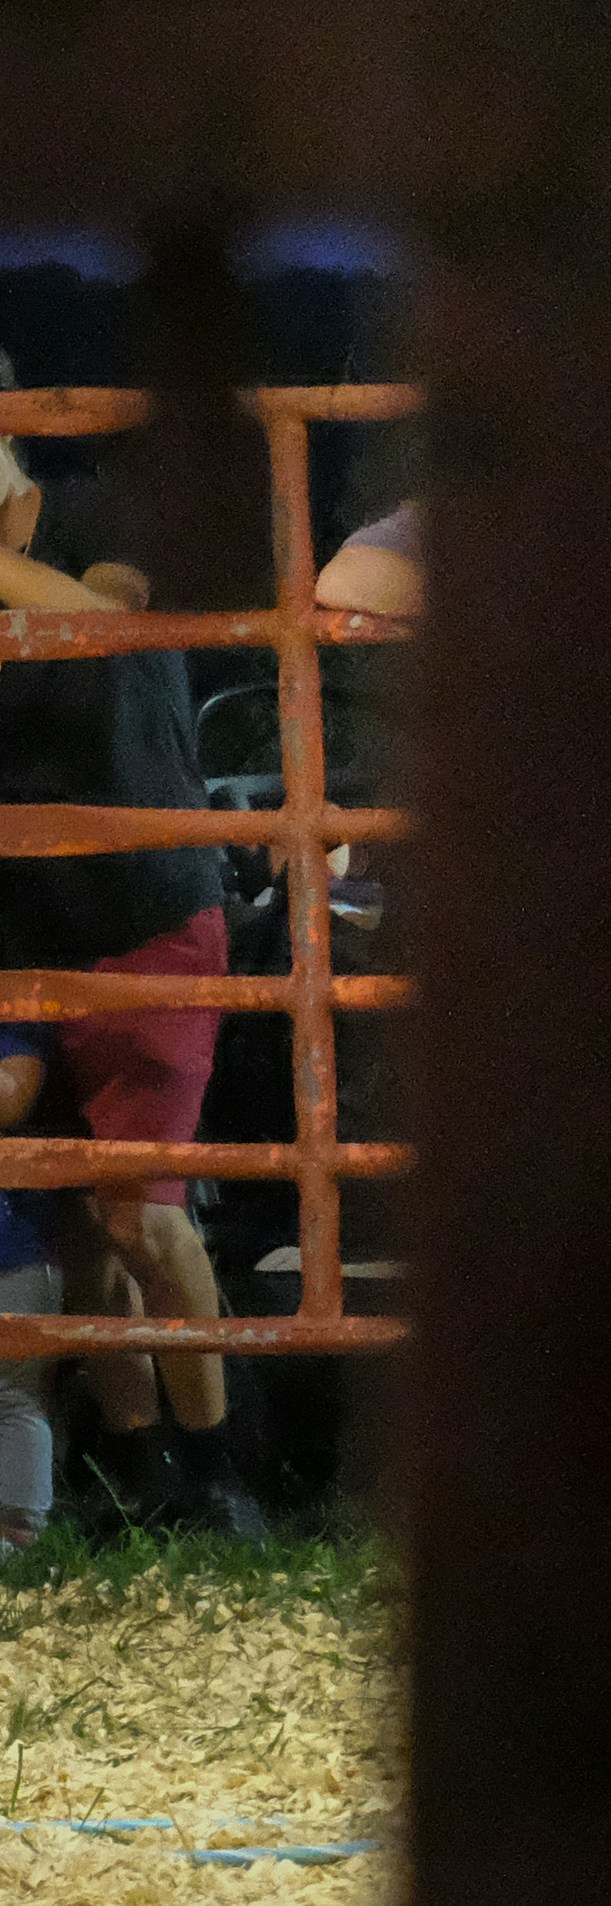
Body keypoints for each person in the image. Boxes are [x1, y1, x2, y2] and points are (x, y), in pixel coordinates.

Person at [0, 393, 261, 1536]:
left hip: (144, 905)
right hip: (26, 928)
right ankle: (144, 1478)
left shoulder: (106, 506)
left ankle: (218, 1478)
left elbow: (105, 625)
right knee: (77, 1220)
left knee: (137, 1214)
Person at [0, 1020, 56, 1550]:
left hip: (9, 1240)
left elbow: (11, 1095)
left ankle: (19, 1534)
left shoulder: (13, 1006)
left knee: (13, 1392)